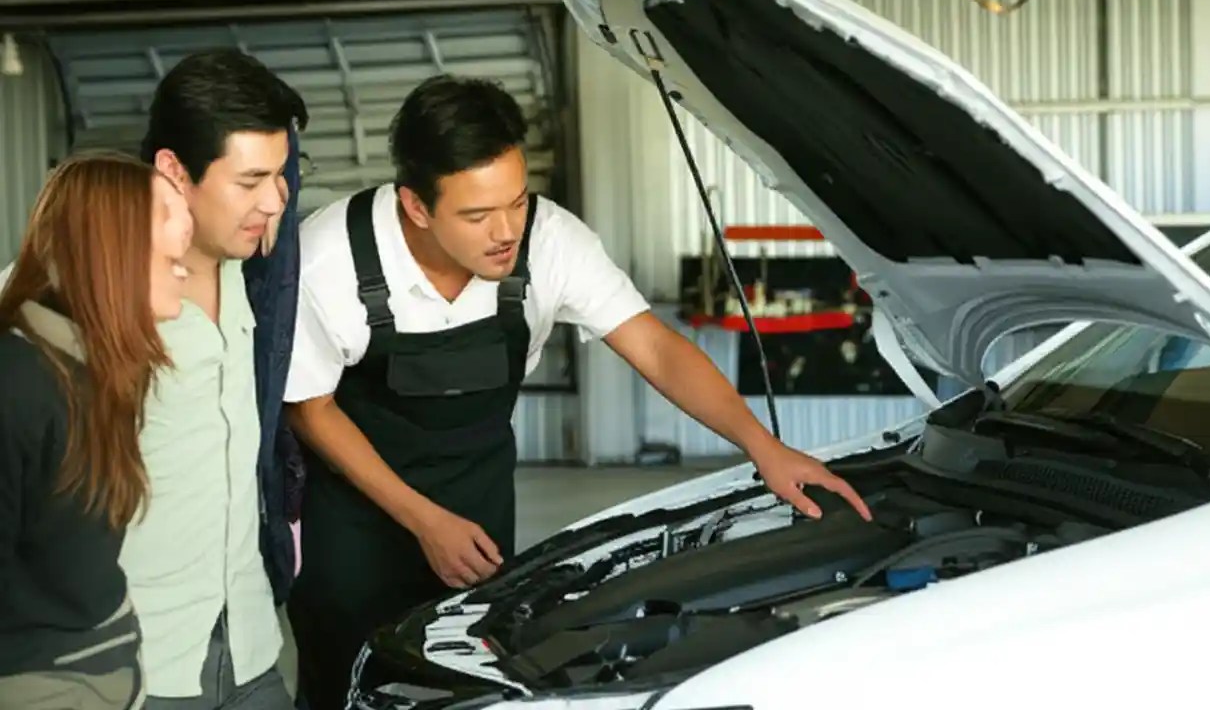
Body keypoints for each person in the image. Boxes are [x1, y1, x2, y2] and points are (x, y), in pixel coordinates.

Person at [282, 74, 874, 710]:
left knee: (470, 688)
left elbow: (655, 347)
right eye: (478, 215)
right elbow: (310, 408)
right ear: (417, 207)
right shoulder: (329, 259)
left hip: (476, 497)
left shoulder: (551, 240)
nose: (506, 230)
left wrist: (763, 446)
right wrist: (424, 520)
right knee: (347, 685)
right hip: (353, 520)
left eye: (516, 200)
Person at [122, 48, 307, 709]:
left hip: (254, 644)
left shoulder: (257, 269)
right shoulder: (84, 292)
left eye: (282, 176)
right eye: (250, 179)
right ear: (174, 171)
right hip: (137, 666)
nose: (273, 199)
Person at [0, 151, 193, 710]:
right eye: (165, 213)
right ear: (107, 240)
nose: (187, 229)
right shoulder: (17, 382)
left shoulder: (92, 369)